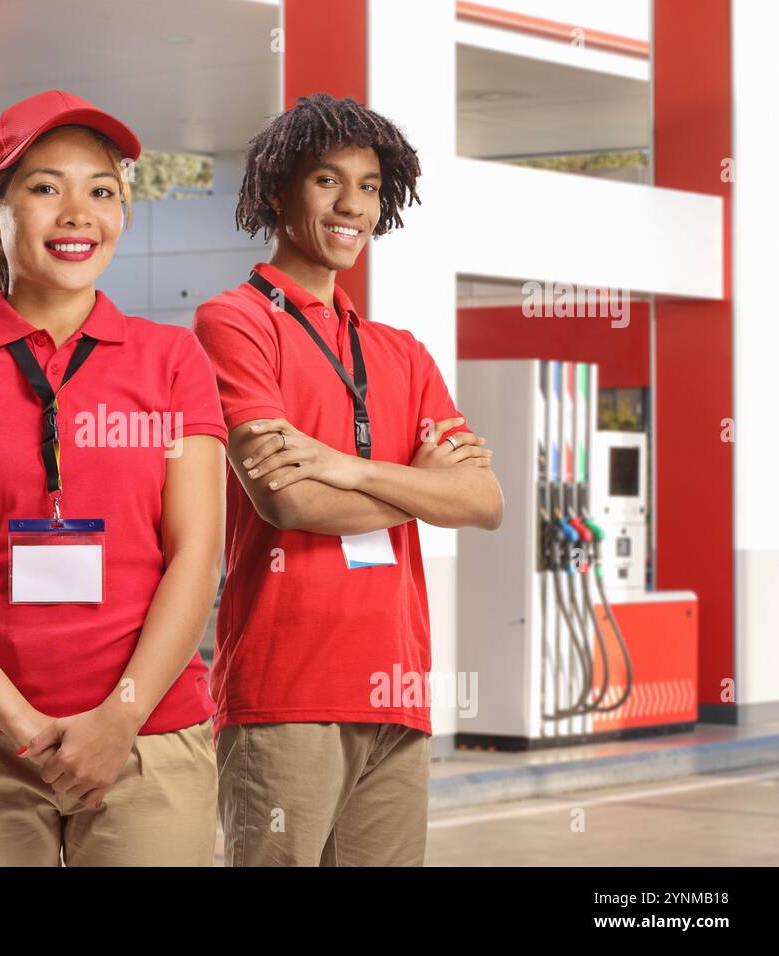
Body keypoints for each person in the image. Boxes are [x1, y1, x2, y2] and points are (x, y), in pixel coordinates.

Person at [0, 90, 227, 866]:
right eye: (44, 188)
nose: (77, 212)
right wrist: (25, 726)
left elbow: (196, 555)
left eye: (101, 191)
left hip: (148, 742)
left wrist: (118, 720)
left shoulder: (173, 360)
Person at [192, 92, 504, 867]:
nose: (352, 205)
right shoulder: (233, 322)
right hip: (285, 689)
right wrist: (414, 485)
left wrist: (348, 465)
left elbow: (484, 501)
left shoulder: (401, 351)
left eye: (368, 187)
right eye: (328, 181)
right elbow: (289, 499)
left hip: (397, 688)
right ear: (276, 192)